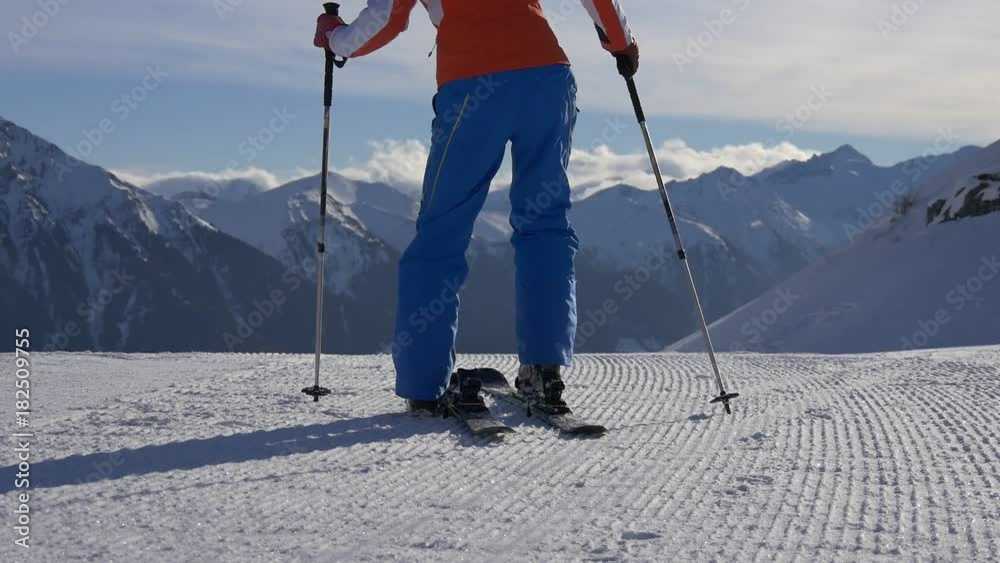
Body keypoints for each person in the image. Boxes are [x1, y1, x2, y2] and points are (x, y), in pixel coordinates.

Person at [314, 0, 638, 414]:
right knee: (545, 222)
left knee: (441, 232)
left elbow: (387, 18)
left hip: (472, 86)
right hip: (547, 79)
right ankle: (543, 370)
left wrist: (335, 39)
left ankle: (425, 384)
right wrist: (622, 43)